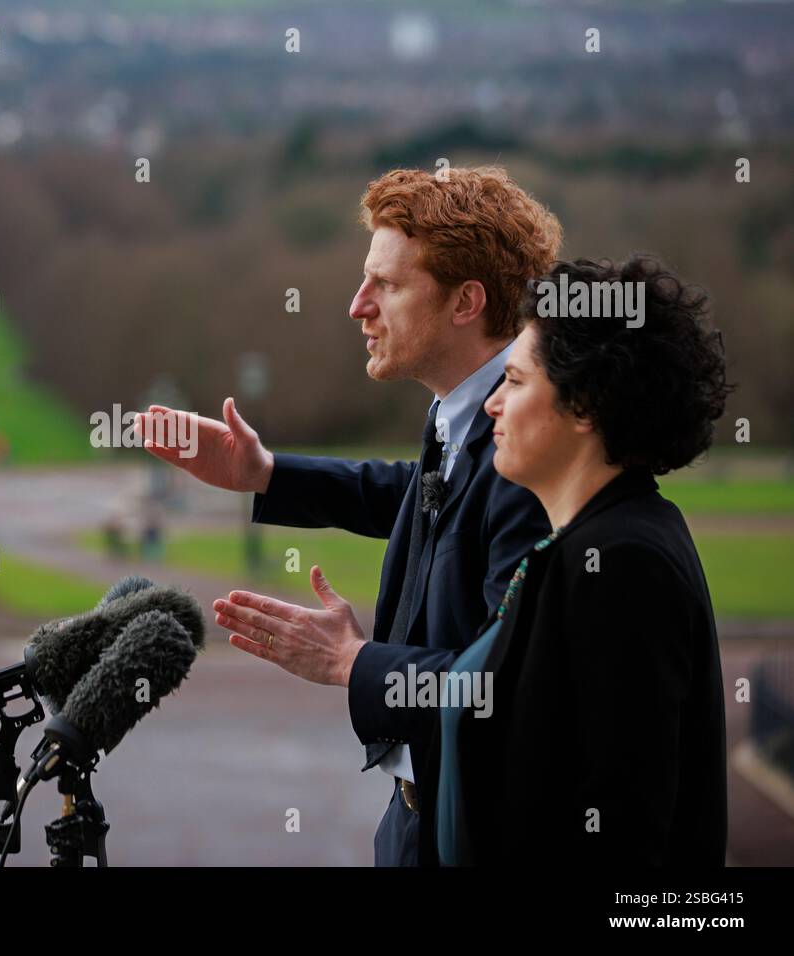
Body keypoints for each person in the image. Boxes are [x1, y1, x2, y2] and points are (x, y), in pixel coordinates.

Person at [136, 166, 559, 865]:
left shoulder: (531, 448)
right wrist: (264, 474)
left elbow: (504, 693)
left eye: (387, 285)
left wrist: (353, 662)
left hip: (476, 836)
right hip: (416, 818)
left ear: (466, 302)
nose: (357, 306)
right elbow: (421, 497)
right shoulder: (464, 411)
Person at [423, 255, 731, 865]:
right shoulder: (589, 543)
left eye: (513, 381)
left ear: (585, 405)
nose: (491, 406)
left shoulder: (622, 561)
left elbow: (623, 832)